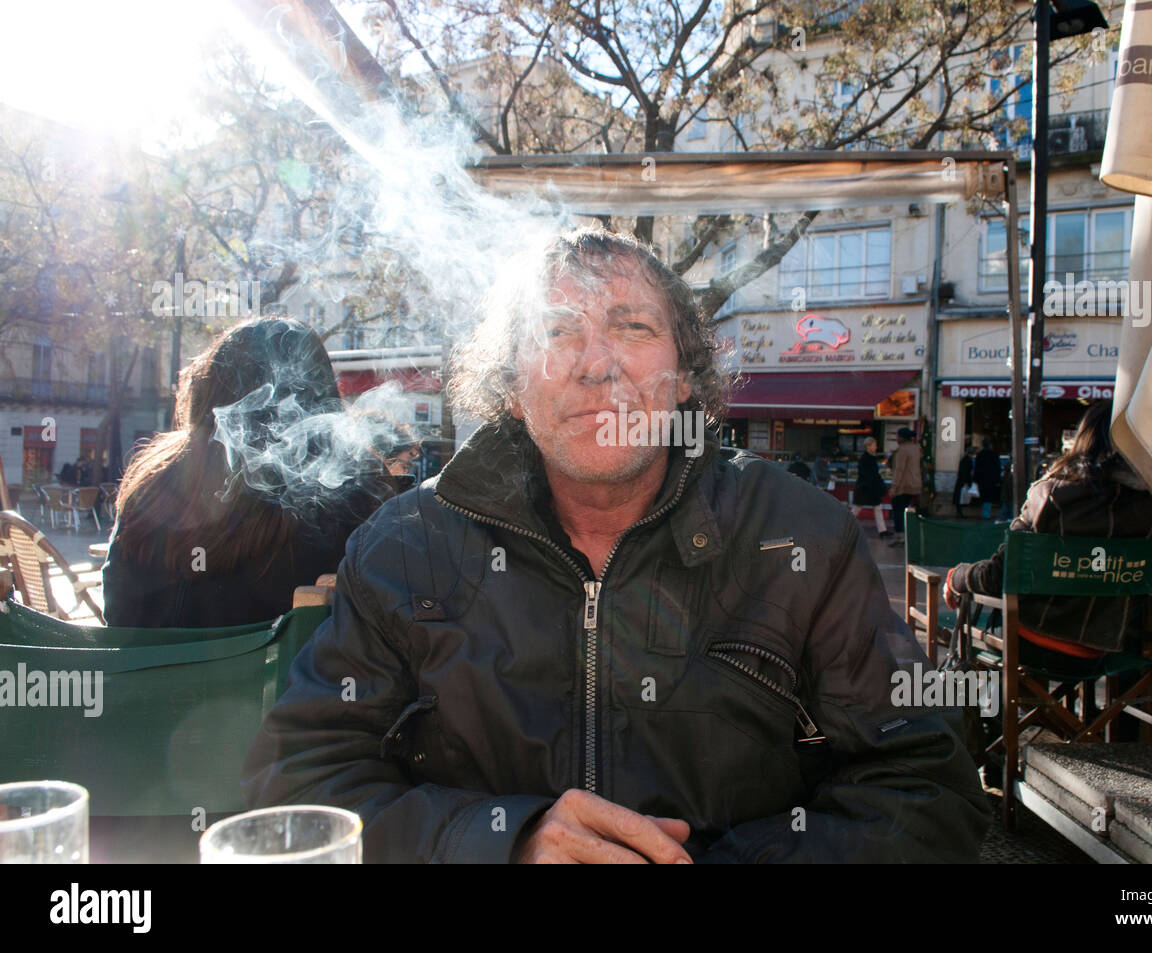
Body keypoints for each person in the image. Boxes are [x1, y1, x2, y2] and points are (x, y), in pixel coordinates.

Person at [243, 227, 990, 864]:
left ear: (686, 378)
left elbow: (928, 789)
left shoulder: (802, 536)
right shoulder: (403, 546)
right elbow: (296, 784)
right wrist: (504, 840)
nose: (597, 362)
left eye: (632, 326)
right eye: (556, 329)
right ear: (509, 385)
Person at [102, 318, 392, 628]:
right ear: (320, 392)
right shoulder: (351, 490)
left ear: (210, 388)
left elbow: (118, 612)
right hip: (278, 677)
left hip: (145, 675)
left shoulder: (154, 480)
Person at [943, 400, 1152, 658]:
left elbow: (999, 576)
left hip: (1038, 638)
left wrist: (957, 576)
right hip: (1120, 648)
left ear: (1083, 440)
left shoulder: (1049, 497)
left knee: (982, 627)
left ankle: (1002, 697)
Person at [887, 427, 921, 542]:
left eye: (898, 436)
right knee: (905, 509)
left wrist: (894, 487)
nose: (897, 439)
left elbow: (899, 470)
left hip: (903, 485)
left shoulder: (903, 450)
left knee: (898, 510)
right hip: (914, 484)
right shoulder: (916, 448)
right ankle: (906, 535)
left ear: (902, 438)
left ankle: (899, 536)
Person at [854, 436, 890, 539]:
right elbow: (871, 475)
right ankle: (882, 531)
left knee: (872, 508)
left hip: (866, 488)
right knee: (858, 508)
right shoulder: (867, 459)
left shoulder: (866, 458)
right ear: (868, 446)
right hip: (867, 488)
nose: (876, 447)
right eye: (874, 445)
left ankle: (883, 531)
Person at [973, 438, 1001, 520]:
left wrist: (975, 479)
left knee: (984, 496)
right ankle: (986, 513)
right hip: (991, 480)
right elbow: (997, 468)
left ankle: (985, 513)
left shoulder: (980, 455)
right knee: (989, 497)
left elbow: (977, 468)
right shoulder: (994, 455)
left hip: (982, 480)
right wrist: (998, 480)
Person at [952, 445, 975, 519]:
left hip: (961, 481)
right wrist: (966, 482)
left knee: (960, 498)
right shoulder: (967, 460)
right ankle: (959, 514)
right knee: (960, 498)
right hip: (963, 482)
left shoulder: (965, 459)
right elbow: (965, 472)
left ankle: (959, 513)